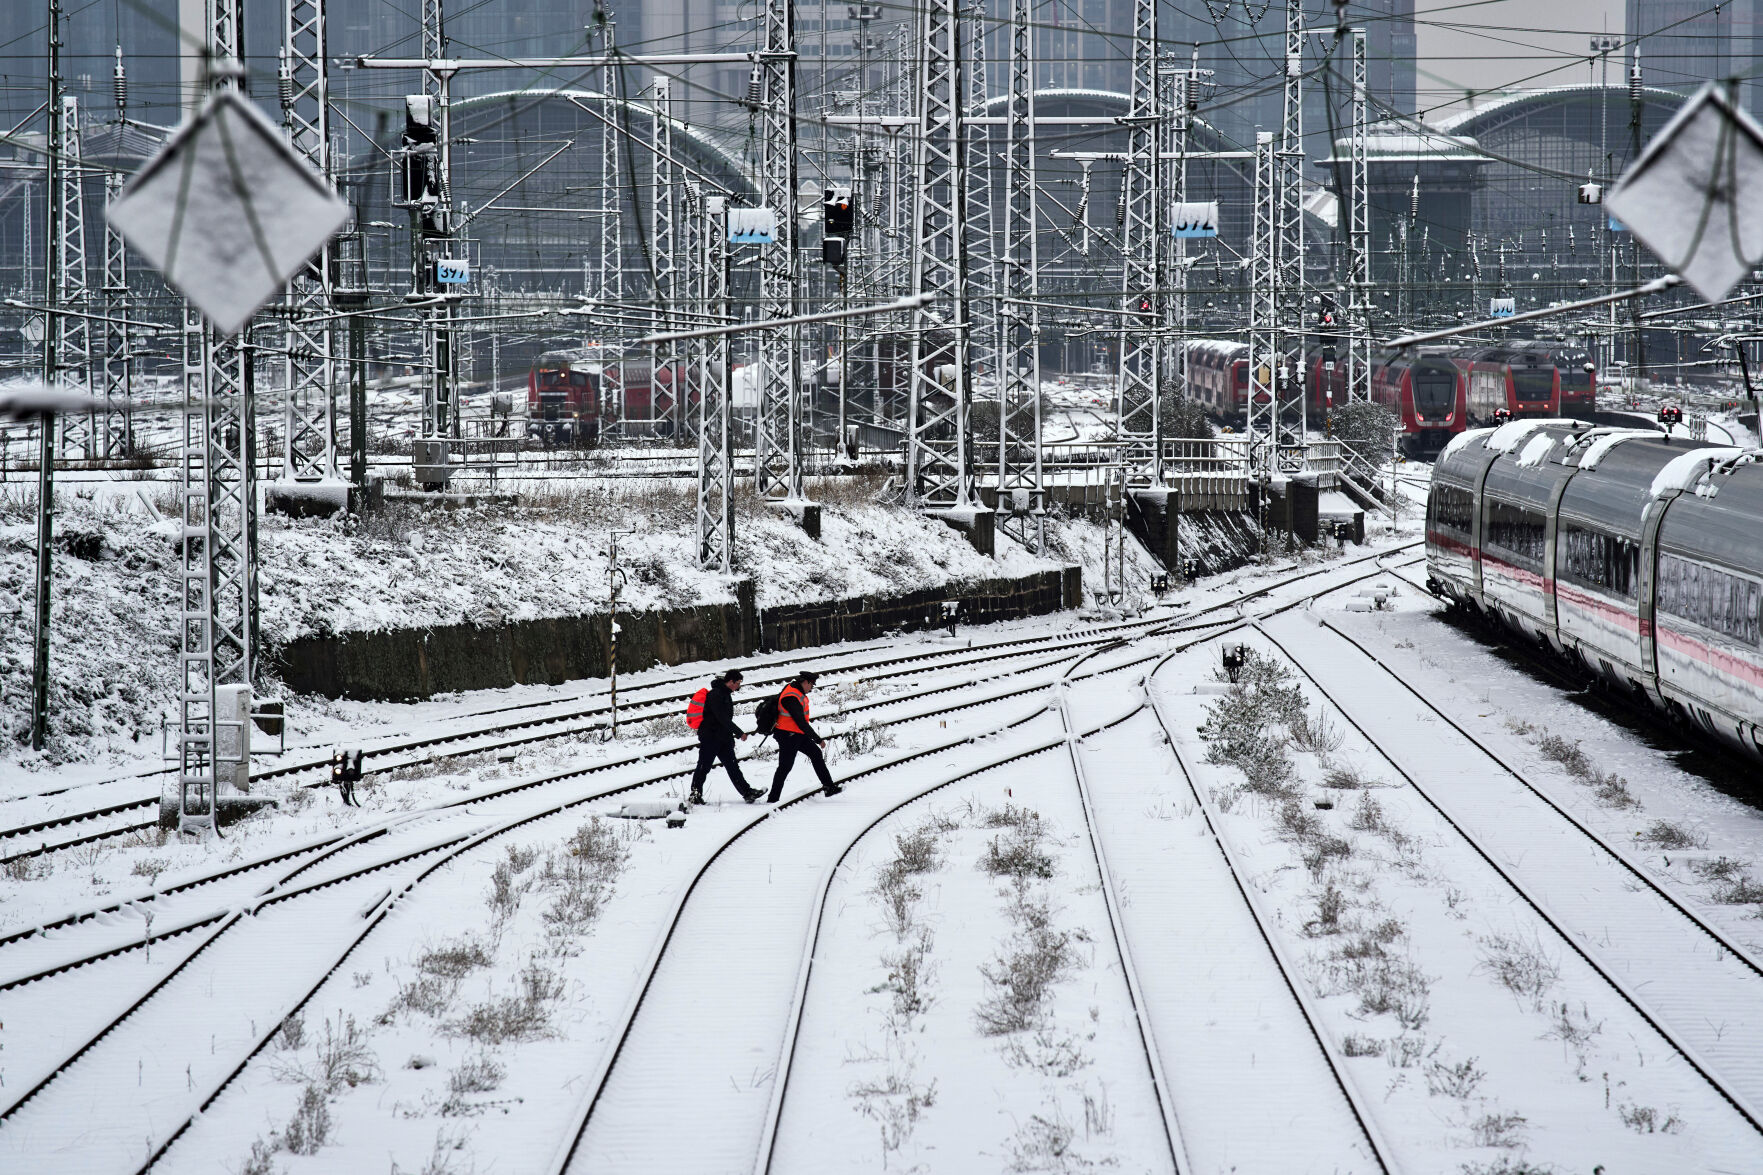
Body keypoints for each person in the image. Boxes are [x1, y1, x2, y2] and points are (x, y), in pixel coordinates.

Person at [767, 669, 842, 802]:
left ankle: (829, 787)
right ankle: (773, 799)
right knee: (785, 767)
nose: (812, 688)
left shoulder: (795, 689)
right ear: (805, 682)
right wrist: (817, 739)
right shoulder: (791, 697)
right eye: (811, 685)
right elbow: (801, 722)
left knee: (816, 754)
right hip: (787, 735)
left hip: (797, 734)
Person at [690, 669, 762, 805]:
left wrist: (730, 737)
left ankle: (747, 793)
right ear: (731, 682)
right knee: (703, 767)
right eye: (738, 683)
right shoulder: (716, 695)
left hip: (723, 737)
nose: (738, 686)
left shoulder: (725, 693)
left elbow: (724, 719)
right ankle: (695, 795)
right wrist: (739, 733)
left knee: (733, 766)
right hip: (710, 737)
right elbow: (721, 717)